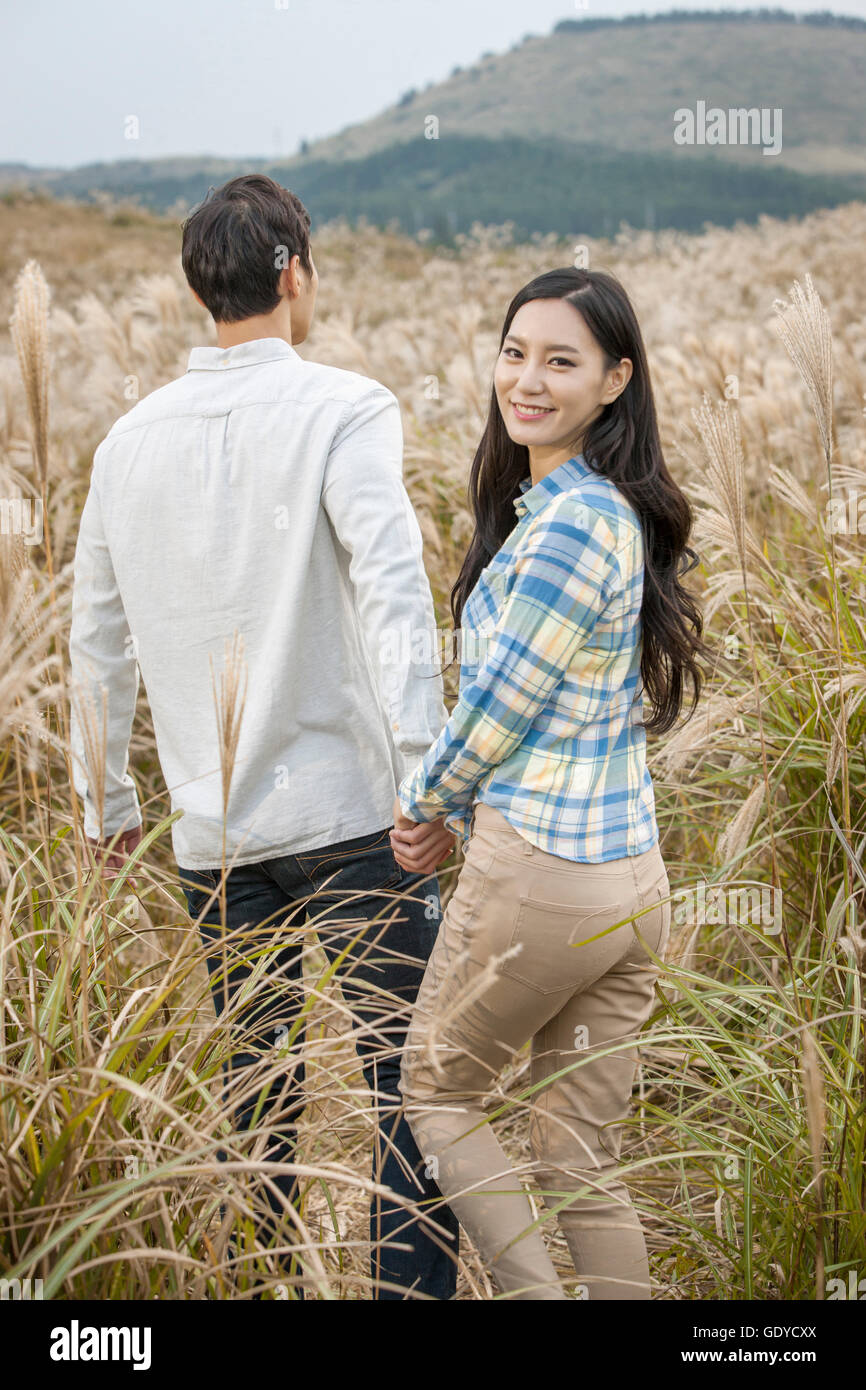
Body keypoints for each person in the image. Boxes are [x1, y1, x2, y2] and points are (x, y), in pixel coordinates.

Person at [67, 173, 459, 1299]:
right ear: (293, 271)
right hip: (356, 823)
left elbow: (96, 643)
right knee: (403, 1087)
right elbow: (394, 596)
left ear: (202, 287)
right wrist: (426, 780)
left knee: (258, 1092)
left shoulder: (123, 443)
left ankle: (264, 1286)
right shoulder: (347, 407)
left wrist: (106, 811)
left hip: (213, 835)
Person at [390, 266, 704, 1300]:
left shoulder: (571, 523)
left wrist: (423, 802)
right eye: (514, 352)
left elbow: (501, 703)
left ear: (614, 380)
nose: (526, 379)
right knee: (577, 1157)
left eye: (560, 361)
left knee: (438, 1093)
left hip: (540, 874)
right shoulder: (597, 510)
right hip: (628, 885)